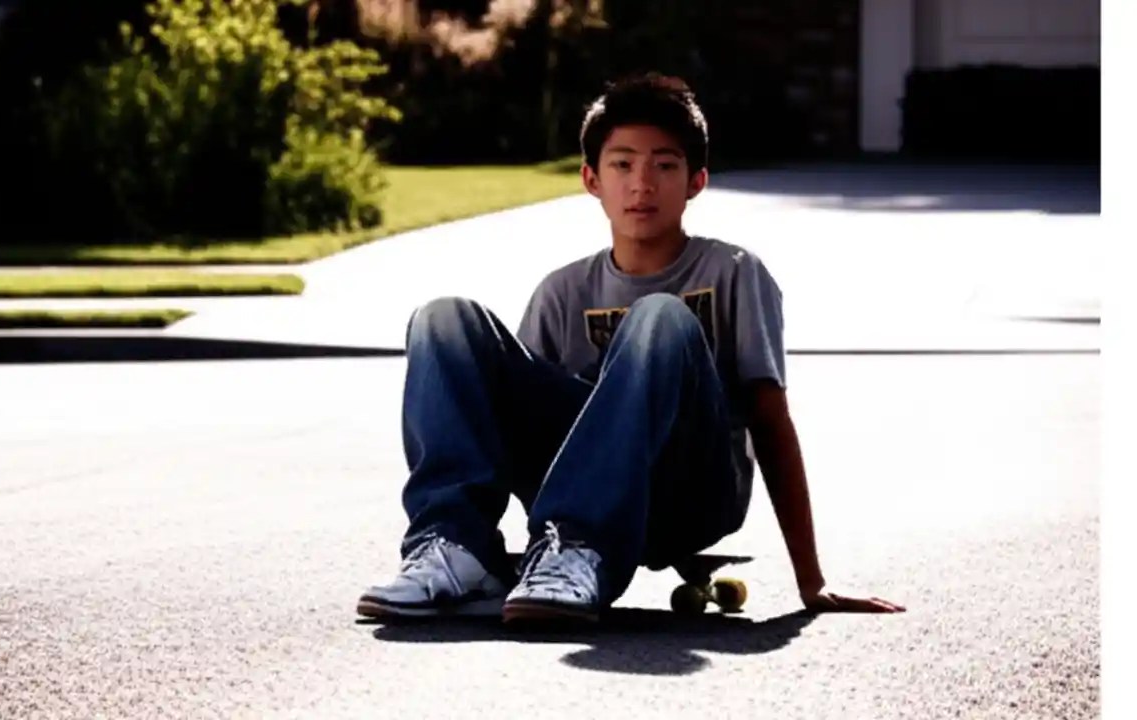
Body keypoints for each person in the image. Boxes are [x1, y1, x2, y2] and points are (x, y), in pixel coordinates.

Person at [356, 73, 906, 624]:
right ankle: (455, 549)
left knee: (662, 316)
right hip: (581, 494)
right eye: (622, 164)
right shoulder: (562, 291)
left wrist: (812, 580)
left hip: (689, 493)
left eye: (665, 165)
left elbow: (769, 418)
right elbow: (513, 432)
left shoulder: (733, 273)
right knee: (443, 317)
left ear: (697, 181)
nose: (642, 183)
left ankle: (580, 543)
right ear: (592, 179)